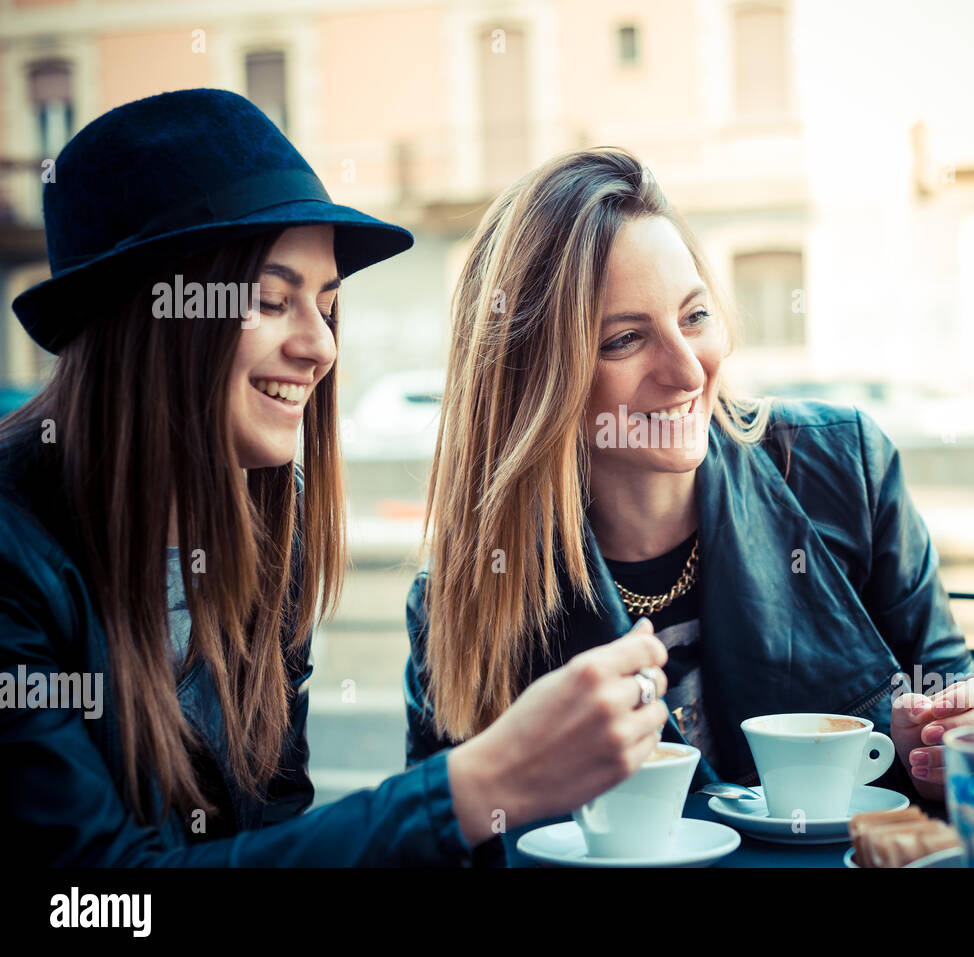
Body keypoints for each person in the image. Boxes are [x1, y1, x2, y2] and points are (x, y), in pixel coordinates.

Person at [0, 90, 669, 866]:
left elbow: (277, 828)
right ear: (153, 318)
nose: (321, 346)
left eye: (326, 304)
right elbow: (92, 901)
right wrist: (474, 782)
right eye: (272, 299)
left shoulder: (268, 521)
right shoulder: (16, 555)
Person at [405, 146, 974, 856]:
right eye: (626, 338)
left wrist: (939, 754)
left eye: (694, 315)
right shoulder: (465, 594)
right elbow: (439, 848)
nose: (687, 370)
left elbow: (965, 735)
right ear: (535, 377)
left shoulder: (846, 470)